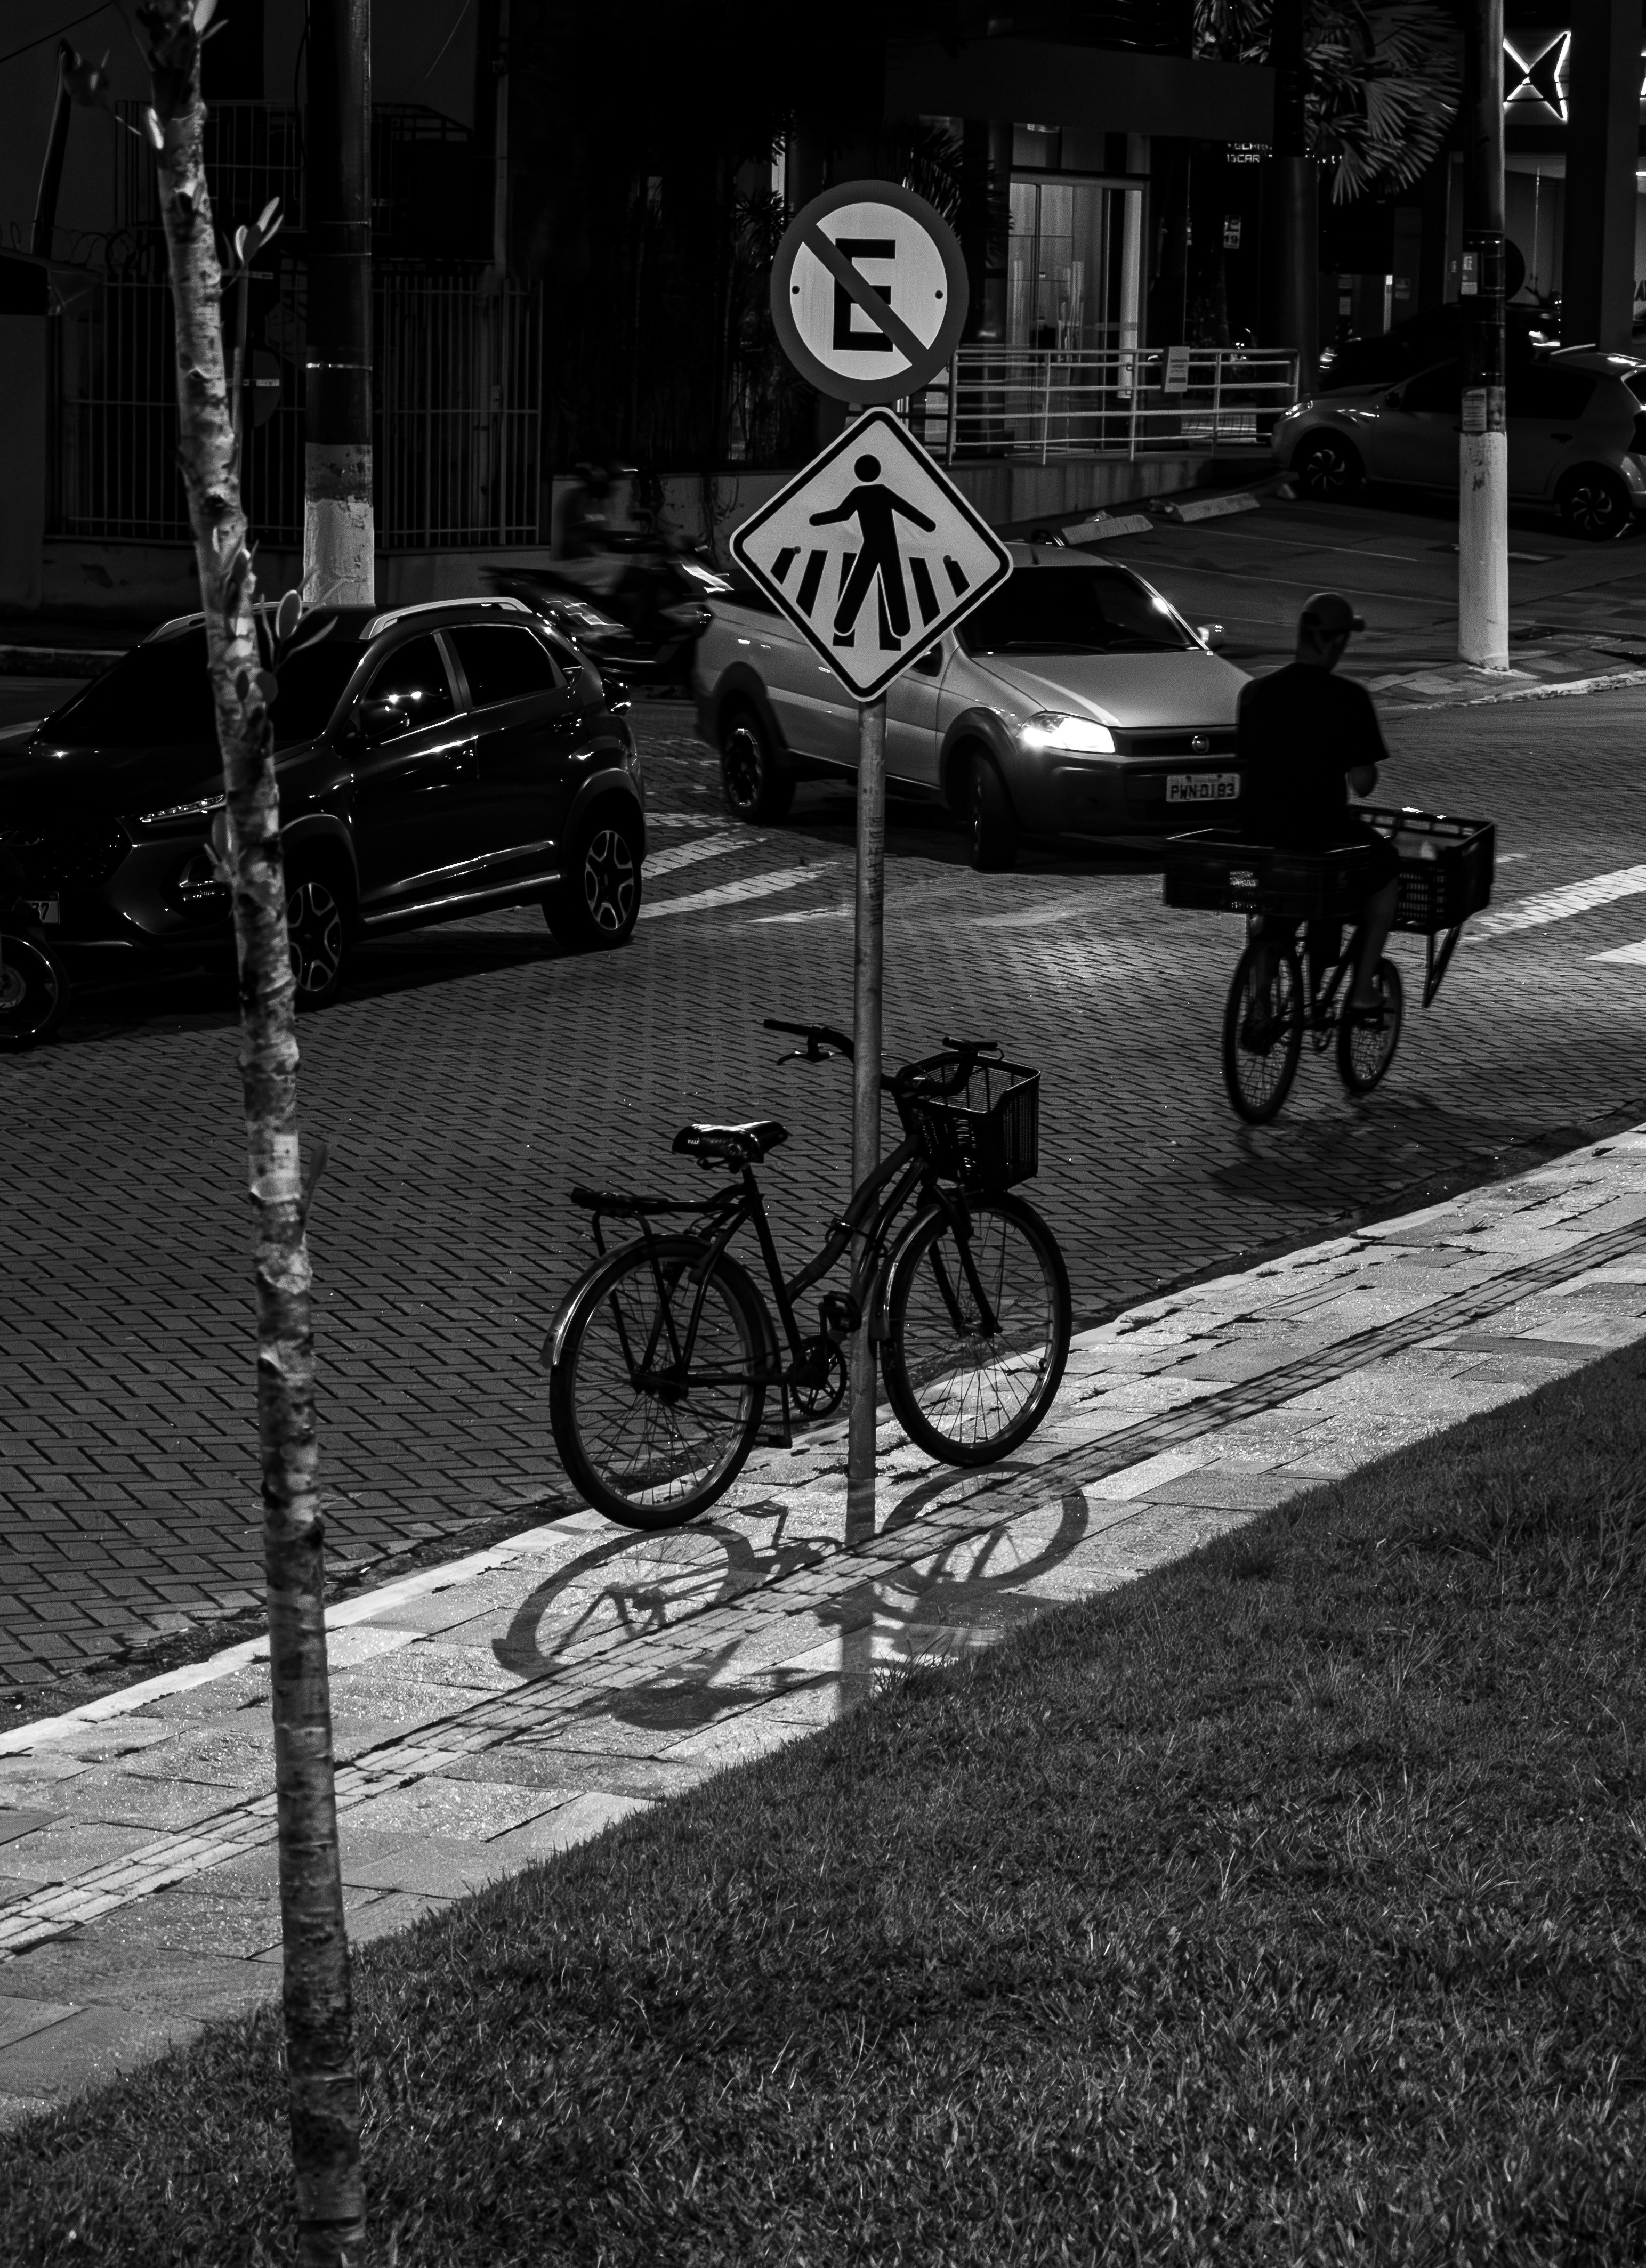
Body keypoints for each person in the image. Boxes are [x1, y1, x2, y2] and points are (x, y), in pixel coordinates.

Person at [1237, 589, 1400, 1018]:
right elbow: (1363, 784)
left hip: (1259, 830)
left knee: (1273, 907)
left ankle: (1259, 1003)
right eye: (1344, 640)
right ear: (1332, 642)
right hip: (1320, 831)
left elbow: (1249, 761)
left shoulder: (1255, 693)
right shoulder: (1348, 698)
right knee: (1386, 873)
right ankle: (1363, 988)